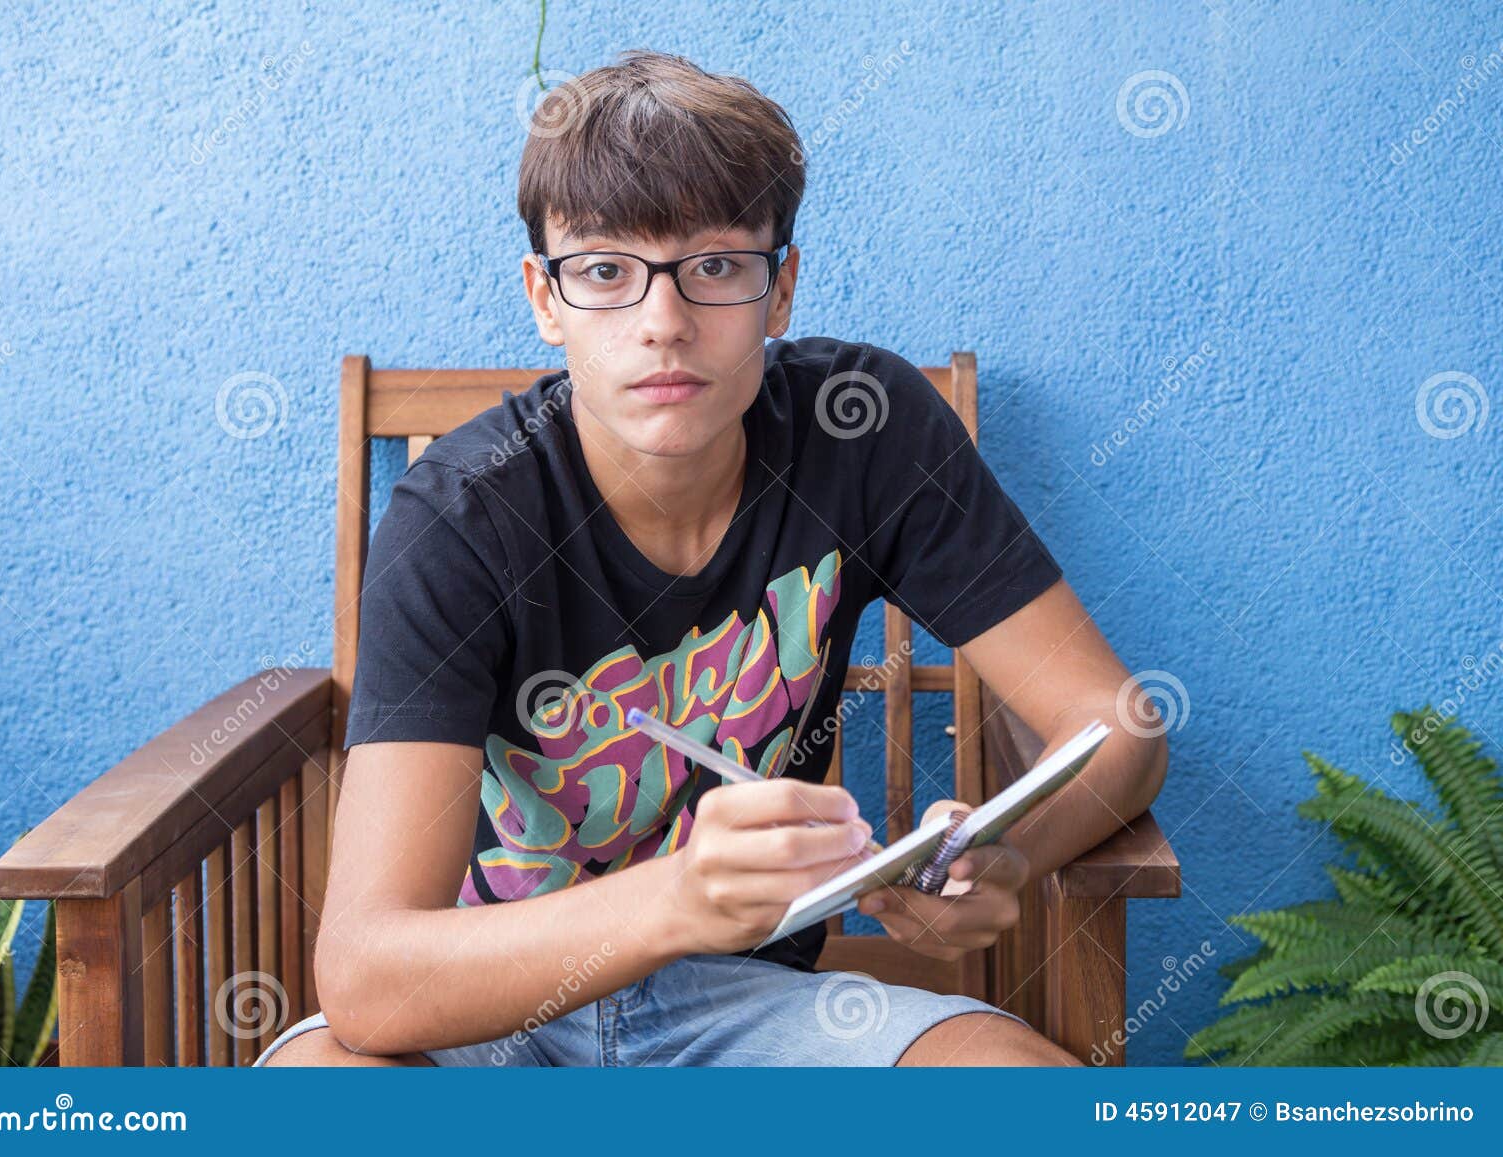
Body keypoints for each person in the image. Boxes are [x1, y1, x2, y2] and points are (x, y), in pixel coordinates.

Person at [256, 49, 1165, 1069]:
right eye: (605, 271)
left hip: (747, 1003)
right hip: (488, 1001)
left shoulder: (859, 429)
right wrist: (678, 892)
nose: (664, 324)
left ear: (779, 290)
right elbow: (373, 983)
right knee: (313, 1081)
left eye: (716, 267)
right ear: (544, 297)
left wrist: (1005, 856)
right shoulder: (464, 518)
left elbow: (1121, 725)